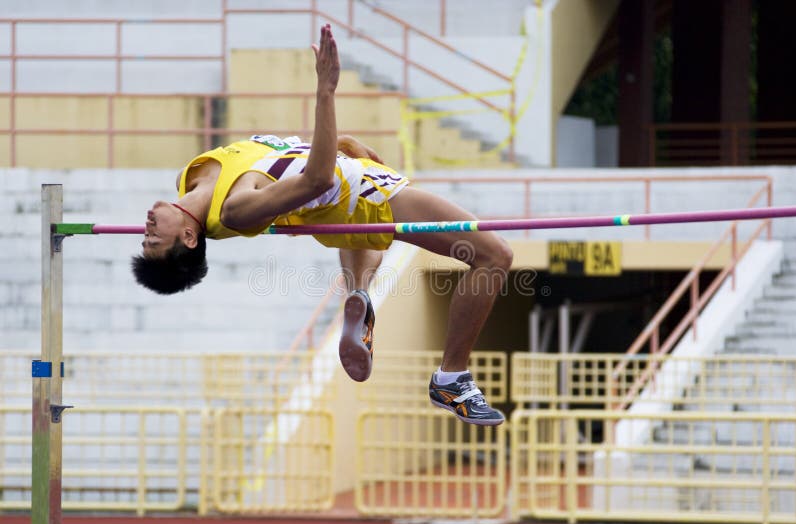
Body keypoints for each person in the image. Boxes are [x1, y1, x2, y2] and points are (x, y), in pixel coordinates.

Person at [132, 24, 513, 426]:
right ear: (190, 237)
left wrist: (343, 144)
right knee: (494, 256)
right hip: (365, 196)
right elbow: (317, 180)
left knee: (367, 239)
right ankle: (451, 378)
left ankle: (360, 296)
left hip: (351, 188)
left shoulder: (189, 176)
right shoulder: (234, 211)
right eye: (154, 240)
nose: (146, 229)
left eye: (145, 237)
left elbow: (285, 158)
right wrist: (326, 92)